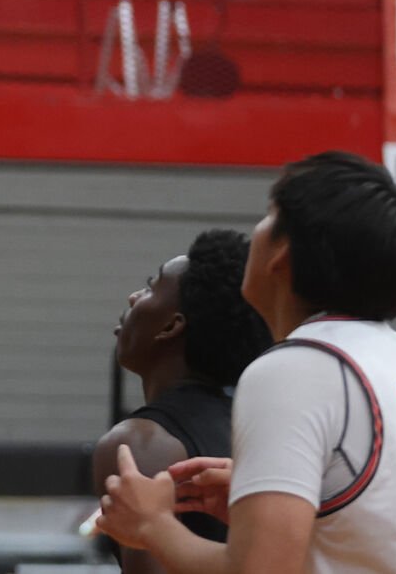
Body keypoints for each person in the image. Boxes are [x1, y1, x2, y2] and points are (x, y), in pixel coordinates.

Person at [96, 152, 396, 574]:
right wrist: (287, 502)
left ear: (282, 252)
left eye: (268, 215)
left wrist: (152, 525)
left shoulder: (292, 369)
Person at [93, 229, 272, 566]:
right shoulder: (250, 428)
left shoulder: (138, 443)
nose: (134, 296)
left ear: (170, 327)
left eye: (151, 286)